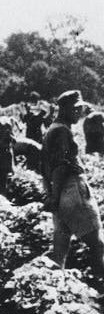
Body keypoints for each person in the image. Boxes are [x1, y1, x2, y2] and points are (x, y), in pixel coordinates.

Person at [42, 90, 104, 280]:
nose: (79, 113)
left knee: (61, 245)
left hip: (60, 192)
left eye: (81, 109)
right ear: (65, 109)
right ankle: (101, 286)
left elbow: (45, 168)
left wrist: (52, 194)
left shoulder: (53, 129)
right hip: (72, 191)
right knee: (98, 244)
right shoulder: (62, 131)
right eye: (76, 109)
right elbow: (61, 167)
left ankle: (55, 285)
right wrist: (55, 195)